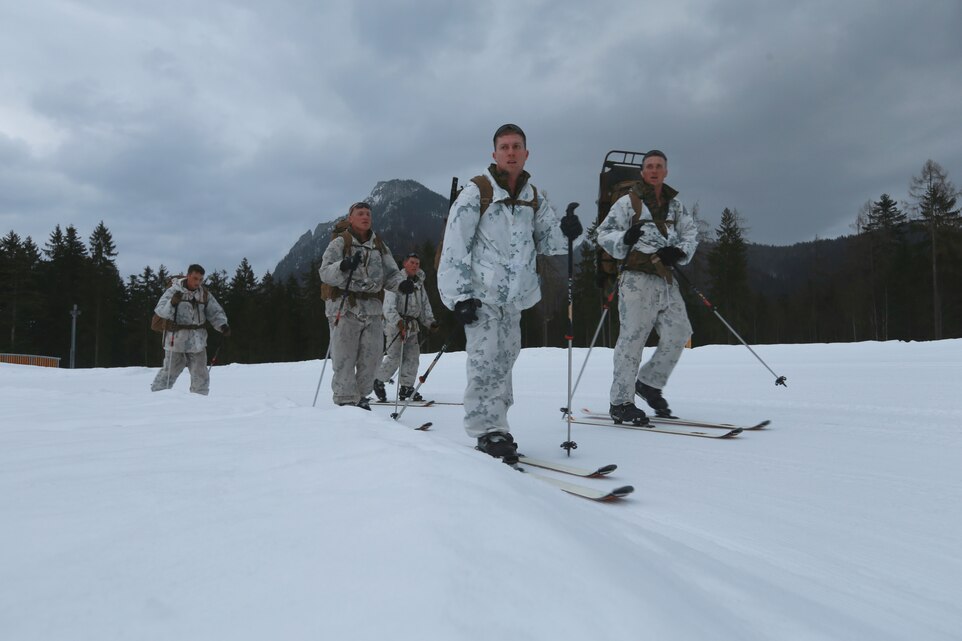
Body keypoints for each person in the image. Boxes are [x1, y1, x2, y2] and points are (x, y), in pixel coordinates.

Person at [437, 123, 583, 463]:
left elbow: (550, 242)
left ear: (526, 153)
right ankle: (485, 430)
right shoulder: (477, 192)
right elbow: (454, 247)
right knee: (484, 361)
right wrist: (458, 297)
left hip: (514, 298)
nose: (511, 152)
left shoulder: (534, 196)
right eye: (504, 147)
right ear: (494, 154)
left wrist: (568, 230)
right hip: (481, 295)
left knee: (504, 361)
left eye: (517, 146)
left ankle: (498, 425)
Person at [595, 149, 698, 423]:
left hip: (666, 279)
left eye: (659, 166)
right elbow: (603, 234)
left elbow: (690, 233)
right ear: (643, 172)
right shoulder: (628, 202)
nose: (653, 170)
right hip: (636, 279)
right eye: (649, 166)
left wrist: (679, 251)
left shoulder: (677, 206)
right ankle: (621, 402)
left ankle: (649, 383)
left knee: (680, 332)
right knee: (632, 340)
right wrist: (625, 236)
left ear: (666, 171)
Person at [319, 201, 412, 409]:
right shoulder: (340, 243)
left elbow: (391, 274)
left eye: (368, 214)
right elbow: (324, 272)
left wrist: (401, 285)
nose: (365, 217)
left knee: (372, 357)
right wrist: (342, 266)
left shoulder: (378, 244)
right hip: (345, 306)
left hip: (371, 308)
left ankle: (361, 397)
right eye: (360, 213)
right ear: (350, 218)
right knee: (344, 356)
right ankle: (345, 400)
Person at [150, 264, 230, 395]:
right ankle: (156, 398)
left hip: (197, 342)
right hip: (176, 341)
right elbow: (160, 311)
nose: (198, 282)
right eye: (195, 278)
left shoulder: (204, 294)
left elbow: (215, 312)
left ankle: (200, 403)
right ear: (188, 276)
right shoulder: (173, 291)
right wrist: (172, 303)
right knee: (168, 373)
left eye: (200, 279)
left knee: (201, 375)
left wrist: (222, 325)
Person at [373, 252, 438, 403]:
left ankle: (406, 388)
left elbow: (424, 305)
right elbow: (388, 307)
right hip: (396, 325)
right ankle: (378, 380)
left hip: (412, 326)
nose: (415, 266)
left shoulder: (419, 284)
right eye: (412, 263)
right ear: (405, 264)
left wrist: (430, 322)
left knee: (412, 358)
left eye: (417, 263)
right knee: (394, 357)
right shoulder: (396, 282)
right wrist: (398, 322)